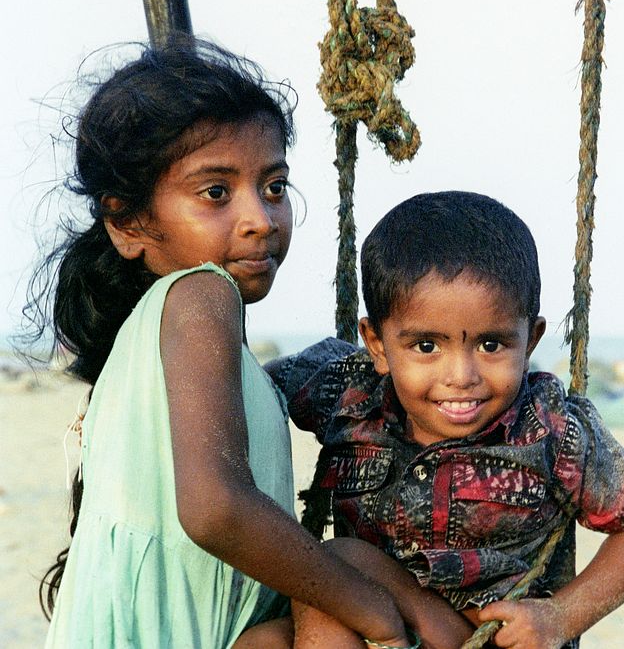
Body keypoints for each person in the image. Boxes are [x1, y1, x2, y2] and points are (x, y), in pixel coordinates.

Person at [27, 37, 432, 648]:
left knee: (350, 568)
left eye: (273, 186)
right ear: (129, 223)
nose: (261, 219)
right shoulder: (199, 295)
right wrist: (368, 608)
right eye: (216, 192)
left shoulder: (168, 334)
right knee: (355, 573)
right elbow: (217, 509)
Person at [266, 191, 624, 648]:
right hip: (379, 623)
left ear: (531, 339)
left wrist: (561, 616)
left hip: (483, 637)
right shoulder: (348, 392)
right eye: (426, 347)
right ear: (377, 344)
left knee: (340, 562)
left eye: (491, 345)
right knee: (261, 640)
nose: (461, 376)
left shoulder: (551, 430)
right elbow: (251, 385)